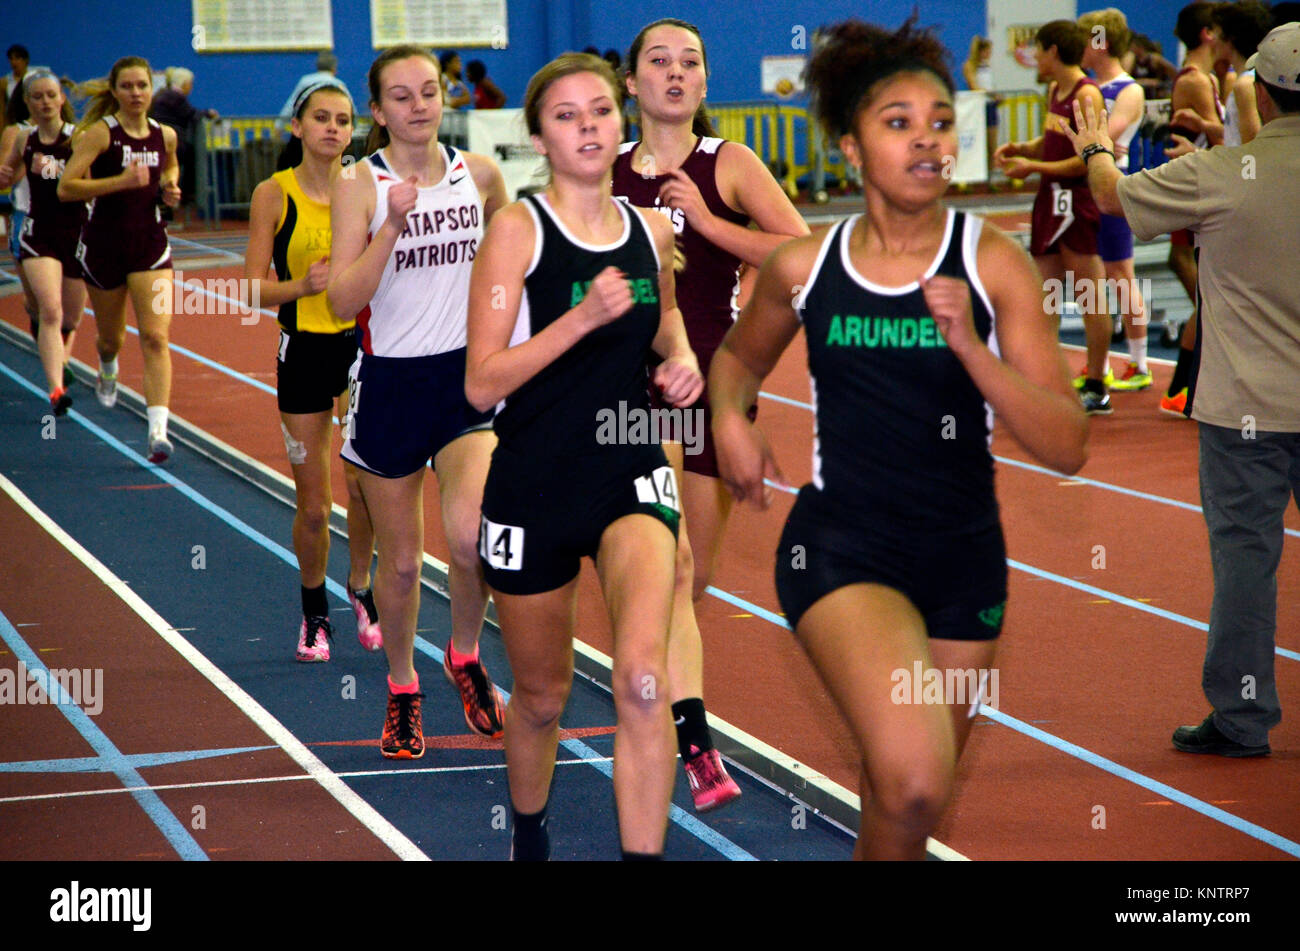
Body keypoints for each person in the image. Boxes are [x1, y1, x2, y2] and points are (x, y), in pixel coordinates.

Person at [710, 17, 1087, 860]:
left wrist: (973, 355)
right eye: (899, 122)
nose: (928, 139)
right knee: (915, 776)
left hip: (964, 560)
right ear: (850, 148)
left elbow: (1067, 445)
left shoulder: (993, 265)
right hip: (844, 550)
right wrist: (728, 422)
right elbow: (735, 362)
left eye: (942, 121)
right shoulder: (805, 267)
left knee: (905, 799)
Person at [466, 52, 704, 860]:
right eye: (567, 116)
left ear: (621, 119)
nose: (589, 127)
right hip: (535, 480)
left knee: (643, 679)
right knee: (540, 696)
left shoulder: (652, 228)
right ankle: (528, 835)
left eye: (600, 110)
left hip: (630, 459)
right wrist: (576, 320)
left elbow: (665, 322)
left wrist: (682, 361)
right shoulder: (517, 231)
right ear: (538, 136)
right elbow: (479, 383)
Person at [1062, 21, 1300, 759]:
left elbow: (1109, 198)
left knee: (1245, 569)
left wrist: (1099, 141)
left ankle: (1241, 716)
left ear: (1260, 88)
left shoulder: (1220, 175)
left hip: (1247, 413)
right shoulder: (1224, 170)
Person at [613, 16, 808, 811]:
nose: (674, 72)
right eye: (658, 61)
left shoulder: (727, 163)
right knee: (674, 559)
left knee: (691, 580)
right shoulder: (603, 168)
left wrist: (710, 222)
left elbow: (802, 253)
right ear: (631, 83)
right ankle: (682, 733)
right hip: (628, 394)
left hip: (716, 392)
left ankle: (653, 684)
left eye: (688, 61)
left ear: (701, 80)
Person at [327, 46, 509, 759]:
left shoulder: (480, 176)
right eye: (399, 97)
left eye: (428, 91)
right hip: (391, 386)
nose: (418, 105)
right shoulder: (359, 185)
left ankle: (463, 653)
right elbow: (342, 299)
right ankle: (403, 687)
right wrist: (393, 225)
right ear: (377, 111)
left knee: (472, 538)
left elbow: (513, 258)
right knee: (402, 566)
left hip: (464, 385)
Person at [243, 79, 382, 663]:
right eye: (321, 118)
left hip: (361, 352)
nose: (333, 128)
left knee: (367, 487)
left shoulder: (370, 185)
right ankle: (314, 614)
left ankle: (360, 586)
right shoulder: (273, 194)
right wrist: (304, 285)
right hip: (302, 353)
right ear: (298, 127)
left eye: (344, 120)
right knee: (316, 504)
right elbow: (252, 290)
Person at [58, 56, 181, 463]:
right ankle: (107, 363)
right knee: (112, 337)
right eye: (127, 87)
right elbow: (66, 188)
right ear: (114, 91)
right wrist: (121, 182)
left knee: (156, 337)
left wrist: (170, 186)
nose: (135, 94)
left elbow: (171, 167)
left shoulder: (165, 136)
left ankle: (158, 432)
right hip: (104, 249)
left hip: (150, 246)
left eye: (142, 86)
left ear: (152, 89)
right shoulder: (98, 136)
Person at [994, 20, 1111, 414]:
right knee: (1042, 295)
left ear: (1054, 52)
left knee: (1089, 294)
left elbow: (1087, 160)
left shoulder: (1088, 94)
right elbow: (1053, 138)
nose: (1035, 59)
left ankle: (1096, 384)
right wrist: (1024, 148)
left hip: (1076, 202)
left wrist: (1033, 167)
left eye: (1038, 51)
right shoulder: (1054, 90)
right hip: (1049, 202)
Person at [0, 69, 85, 415]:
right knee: (50, 310)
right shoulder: (23, 138)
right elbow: (11, 175)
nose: (46, 102)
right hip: (39, 230)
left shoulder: (79, 137)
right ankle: (55, 389)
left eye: (52, 95)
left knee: (71, 319)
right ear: (28, 103)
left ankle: (60, 362)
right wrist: (6, 174)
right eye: (38, 97)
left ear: (62, 99)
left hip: (78, 231)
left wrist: (51, 168)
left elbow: (89, 181)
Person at [1159, 1, 1226, 418]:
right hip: (1198, 197)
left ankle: (1183, 387)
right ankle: (1184, 388)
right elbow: (1224, 142)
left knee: (1211, 303)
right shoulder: (1197, 82)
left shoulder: (1209, 79)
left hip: (1204, 195)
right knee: (1210, 304)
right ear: (1207, 34)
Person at [1078, 8, 1150, 392]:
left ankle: (1139, 364)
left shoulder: (1129, 89)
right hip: (1084, 187)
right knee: (1091, 277)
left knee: (1120, 274)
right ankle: (1099, 366)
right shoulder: (1085, 86)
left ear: (1100, 43)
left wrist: (1075, 136)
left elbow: (1103, 134)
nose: (1078, 48)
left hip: (1112, 186)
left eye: (1083, 39)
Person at [150, 67, 217, 223]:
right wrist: (209, 113)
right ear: (185, 83)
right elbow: (192, 114)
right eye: (190, 83)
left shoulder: (163, 94)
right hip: (172, 143)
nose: (191, 87)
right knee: (176, 172)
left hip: (161, 141)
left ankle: (176, 204)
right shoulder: (176, 97)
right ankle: (187, 197)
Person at [1206, 1, 1272, 146]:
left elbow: (1252, 152)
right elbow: (1235, 133)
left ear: (1230, 38)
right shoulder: (1249, 79)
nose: (1211, 40)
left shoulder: (1245, 85)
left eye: (1215, 33)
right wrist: (1202, 126)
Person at [962, 37, 1000, 173]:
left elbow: (989, 86)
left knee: (992, 145)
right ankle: (975, 176)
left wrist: (995, 96)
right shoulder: (969, 66)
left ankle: (990, 177)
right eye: (987, 51)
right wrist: (990, 94)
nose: (989, 55)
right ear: (981, 51)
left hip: (991, 106)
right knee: (977, 145)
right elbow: (974, 87)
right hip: (977, 108)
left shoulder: (987, 67)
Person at [280, 51, 350, 120]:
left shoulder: (305, 81)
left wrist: (279, 125)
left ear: (317, 67)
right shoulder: (338, 84)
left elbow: (292, 104)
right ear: (334, 69)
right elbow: (350, 109)